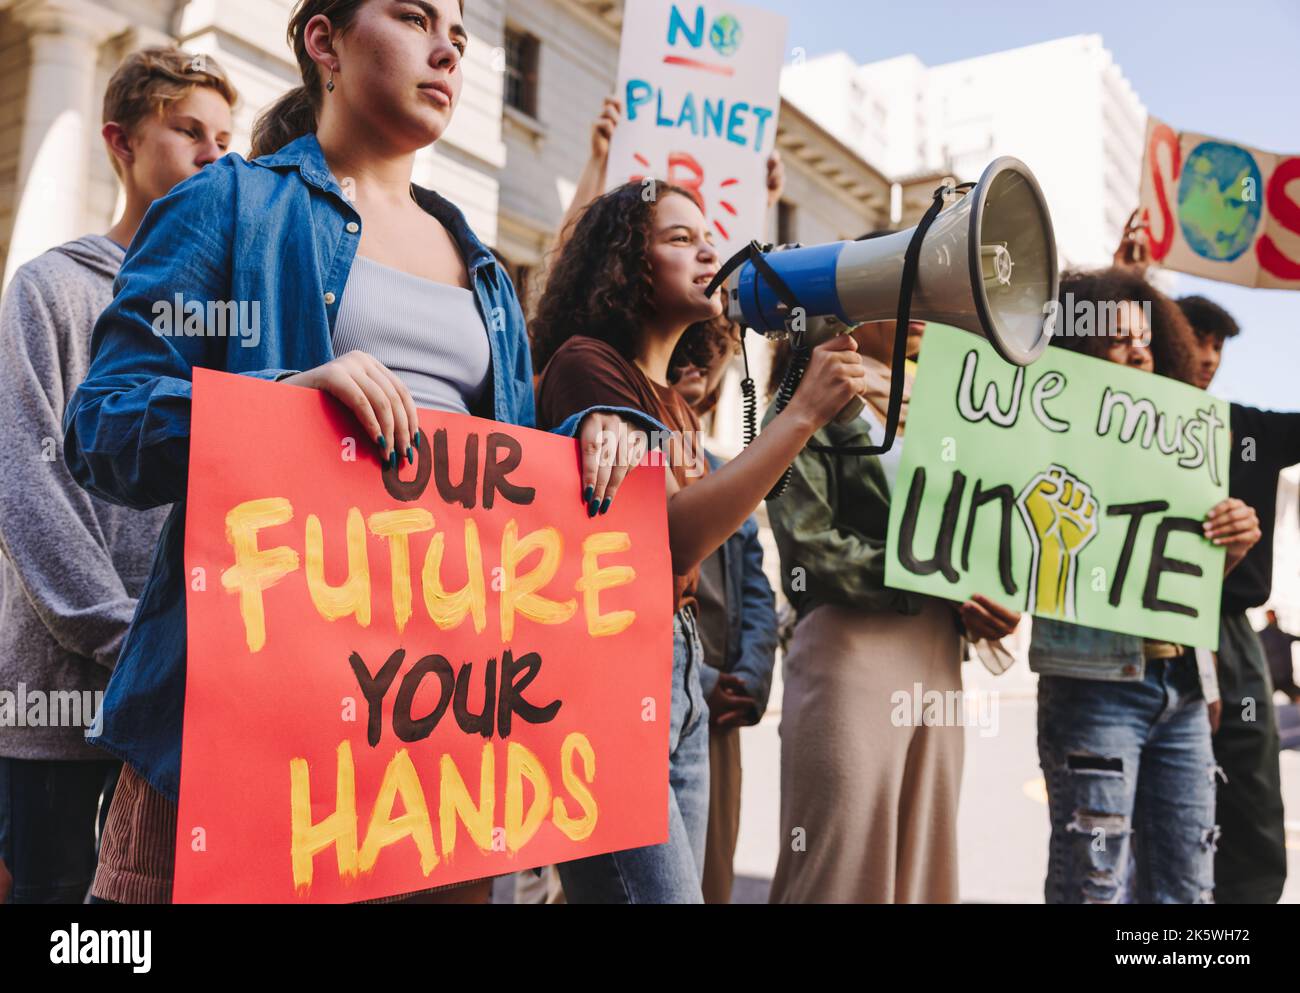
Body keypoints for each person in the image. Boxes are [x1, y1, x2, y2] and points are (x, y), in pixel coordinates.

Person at [63, 0, 653, 905]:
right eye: (416, 16)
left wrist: (589, 445)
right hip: (257, 735)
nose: (447, 46)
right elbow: (101, 425)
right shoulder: (227, 205)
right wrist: (270, 414)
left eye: (458, 32)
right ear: (324, 41)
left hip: (438, 755)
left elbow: (506, 476)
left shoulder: (487, 269)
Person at [531, 178, 866, 903]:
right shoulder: (588, 364)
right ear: (627, 264)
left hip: (680, 666)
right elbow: (673, 539)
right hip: (612, 671)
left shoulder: (674, 410)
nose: (709, 249)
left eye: (708, 234)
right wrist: (802, 413)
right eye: (678, 238)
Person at [0, 47, 237, 904]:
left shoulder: (222, 315)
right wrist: (127, 638)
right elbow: (29, 488)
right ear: (120, 142)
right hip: (61, 704)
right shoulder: (50, 287)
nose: (216, 154)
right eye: (188, 132)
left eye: (225, 137)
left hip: (185, 697)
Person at [763, 292, 1022, 904]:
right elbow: (808, 547)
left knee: (925, 865)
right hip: (852, 654)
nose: (923, 322)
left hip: (940, 655)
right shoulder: (810, 403)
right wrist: (929, 573)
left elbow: (983, 538)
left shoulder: (956, 411)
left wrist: (993, 597)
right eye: (902, 303)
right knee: (841, 861)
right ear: (847, 312)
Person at [1032, 267, 1262, 904]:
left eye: (1147, 340)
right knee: (1094, 886)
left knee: (1187, 891)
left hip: (1184, 691)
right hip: (1095, 691)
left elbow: (1179, 584)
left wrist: (1230, 548)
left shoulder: (1184, 448)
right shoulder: (1042, 442)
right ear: (1077, 350)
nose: (1138, 351)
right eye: (1115, 339)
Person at [1177, 291, 1300, 902]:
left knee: (1250, 780)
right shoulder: (1115, 426)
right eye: (1196, 339)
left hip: (1231, 632)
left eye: (1219, 344)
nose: (1208, 356)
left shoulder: (1249, 429)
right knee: (1154, 787)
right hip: (1143, 628)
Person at [668, 326, 778, 904]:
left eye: (705, 355)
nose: (693, 367)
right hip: (673, 689)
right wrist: (702, 680)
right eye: (680, 353)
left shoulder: (722, 467)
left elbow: (758, 588)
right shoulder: (625, 448)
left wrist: (752, 674)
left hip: (721, 703)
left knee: (711, 870)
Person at [1258, 610, 1300, 703]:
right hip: (1270, 678)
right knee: (1259, 701)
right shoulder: (1261, 635)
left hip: (1285, 678)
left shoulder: (1283, 635)